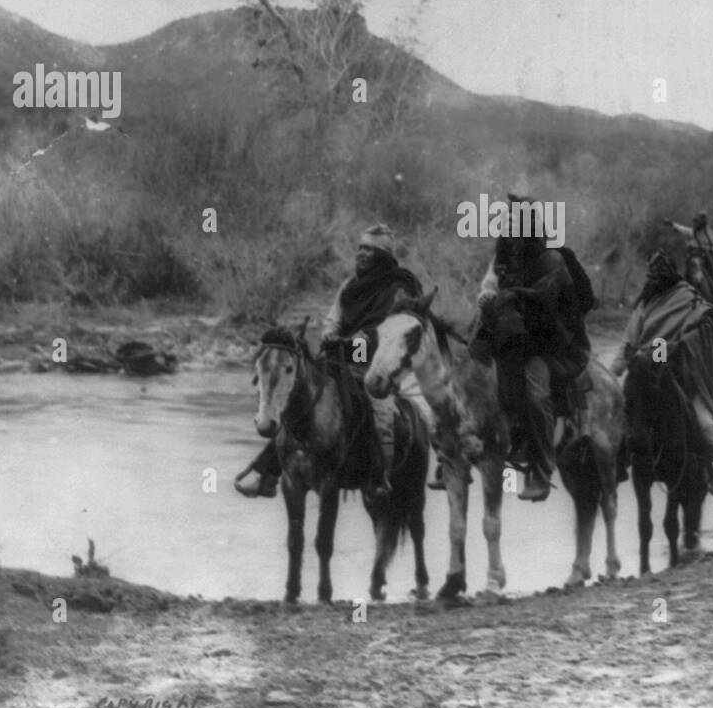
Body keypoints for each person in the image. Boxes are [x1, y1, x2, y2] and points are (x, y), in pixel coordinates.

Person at [236, 223, 427, 501]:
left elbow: (388, 330)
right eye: (361, 248)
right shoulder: (350, 286)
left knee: (379, 412)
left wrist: (354, 345)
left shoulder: (397, 289)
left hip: (377, 364)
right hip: (338, 357)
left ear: (383, 255)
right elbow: (333, 317)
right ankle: (268, 473)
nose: (361, 254)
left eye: (370, 250)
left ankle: (378, 476)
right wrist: (330, 335)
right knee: (297, 399)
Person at [470, 197, 591, 503]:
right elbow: (490, 282)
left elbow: (548, 302)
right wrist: (487, 295)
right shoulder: (503, 257)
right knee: (475, 377)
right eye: (505, 223)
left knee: (537, 393)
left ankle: (541, 469)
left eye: (514, 223)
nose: (508, 230)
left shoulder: (551, 259)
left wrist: (512, 297)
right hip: (511, 337)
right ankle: (463, 449)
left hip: (548, 341)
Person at [609, 251, 713, 499]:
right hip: (642, 373)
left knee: (706, 425)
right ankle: (616, 467)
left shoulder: (688, 299)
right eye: (651, 276)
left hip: (682, 373)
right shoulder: (644, 306)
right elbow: (628, 344)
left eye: (659, 276)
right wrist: (612, 374)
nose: (654, 281)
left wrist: (681, 342)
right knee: (619, 418)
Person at [665, 211, 713, 311]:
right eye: (694, 221)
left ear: (702, 223)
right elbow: (683, 229)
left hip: (706, 259)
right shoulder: (693, 231)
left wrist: (707, 250)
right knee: (681, 277)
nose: (695, 224)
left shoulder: (709, 234)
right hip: (692, 258)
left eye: (697, 222)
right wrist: (672, 224)